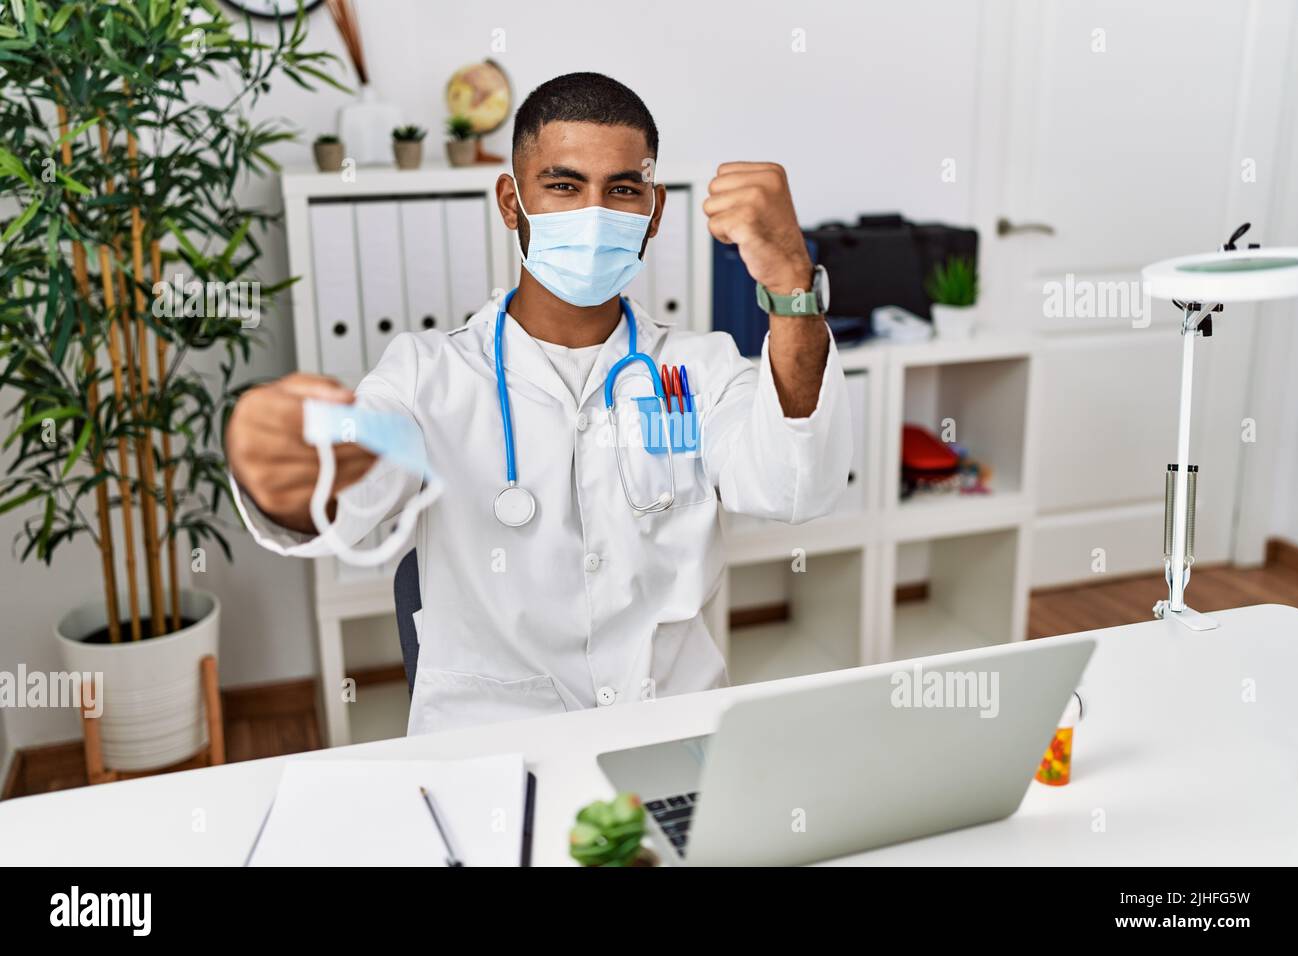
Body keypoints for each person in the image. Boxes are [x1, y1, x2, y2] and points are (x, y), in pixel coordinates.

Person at [225, 72, 851, 735]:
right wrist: (293, 463)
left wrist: (791, 286)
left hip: (674, 726)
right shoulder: (427, 376)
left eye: (622, 190)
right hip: (488, 742)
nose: (594, 213)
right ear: (510, 199)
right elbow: (353, 479)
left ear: (655, 210)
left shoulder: (700, 368)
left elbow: (795, 488)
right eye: (562, 185)